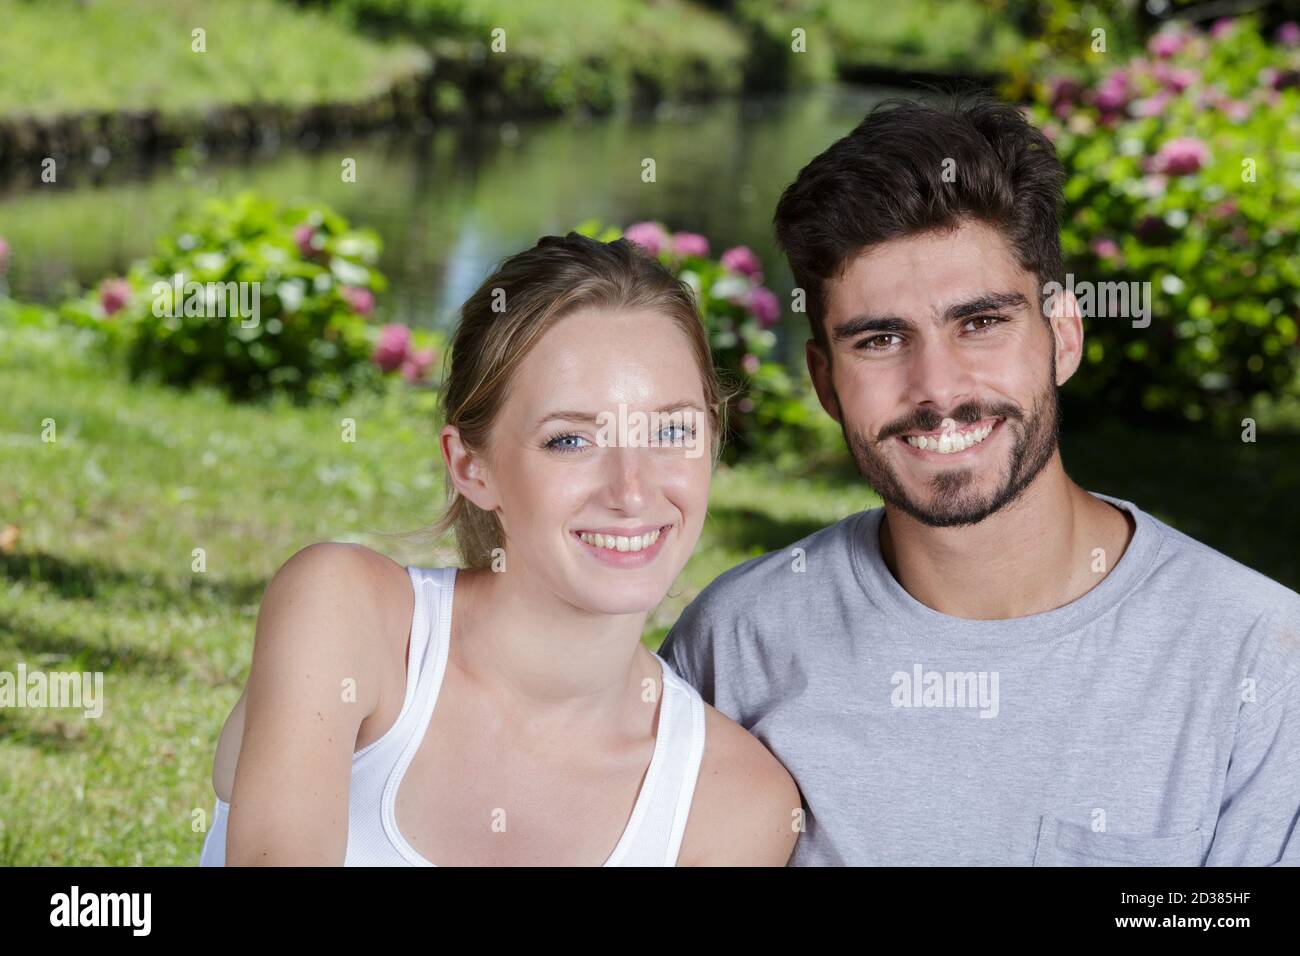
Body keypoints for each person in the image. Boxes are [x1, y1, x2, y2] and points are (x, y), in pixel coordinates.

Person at [657, 95, 1300, 866]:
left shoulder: (1261, 661)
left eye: (982, 323)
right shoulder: (735, 643)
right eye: (881, 338)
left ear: (1062, 335)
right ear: (825, 382)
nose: (938, 389)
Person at [200, 233, 799, 866]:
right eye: (570, 440)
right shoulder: (349, 617)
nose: (632, 490)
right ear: (471, 467)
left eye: (671, 431)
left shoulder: (733, 804)